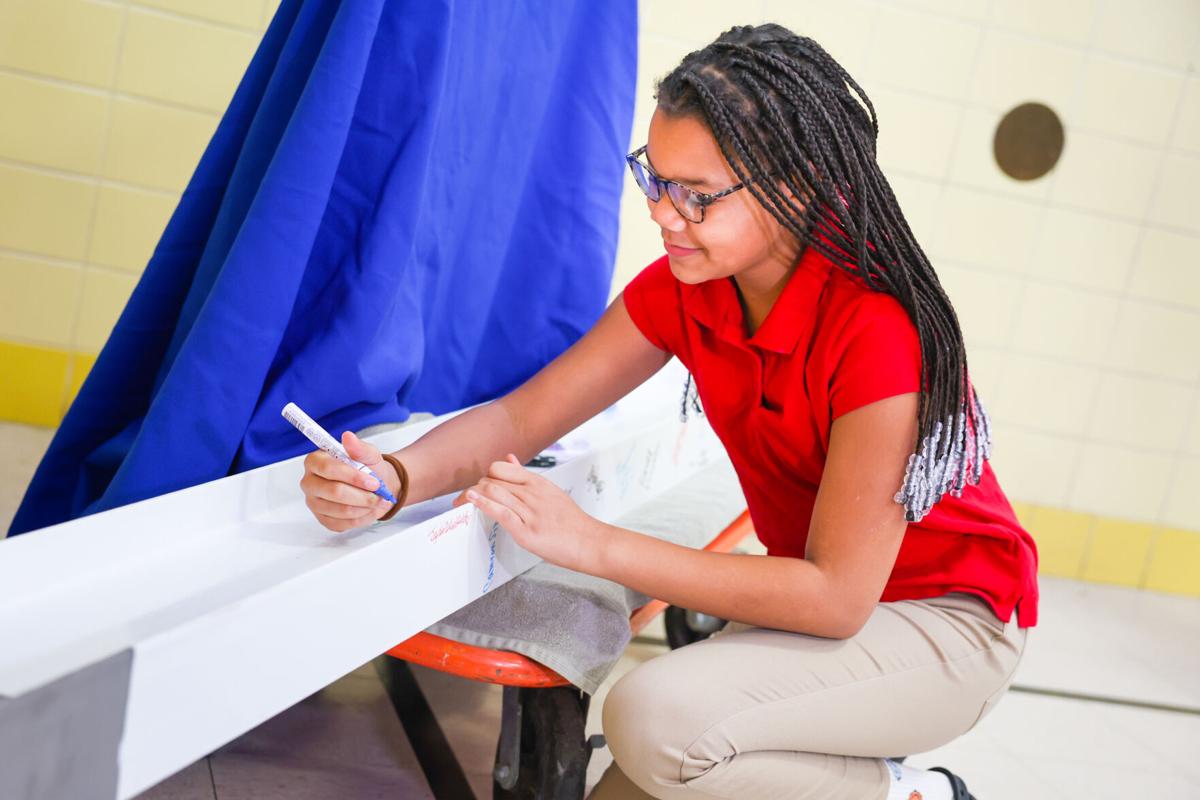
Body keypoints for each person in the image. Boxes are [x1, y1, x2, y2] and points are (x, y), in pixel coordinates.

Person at [299, 24, 1038, 800]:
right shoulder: (687, 288)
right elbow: (521, 420)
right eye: (654, 178)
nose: (663, 213)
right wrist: (393, 476)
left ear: (797, 185)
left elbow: (835, 596)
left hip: (947, 624)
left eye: (698, 196)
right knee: (630, 781)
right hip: (825, 608)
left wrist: (589, 542)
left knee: (652, 718)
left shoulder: (879, 331)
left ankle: (912, 796)